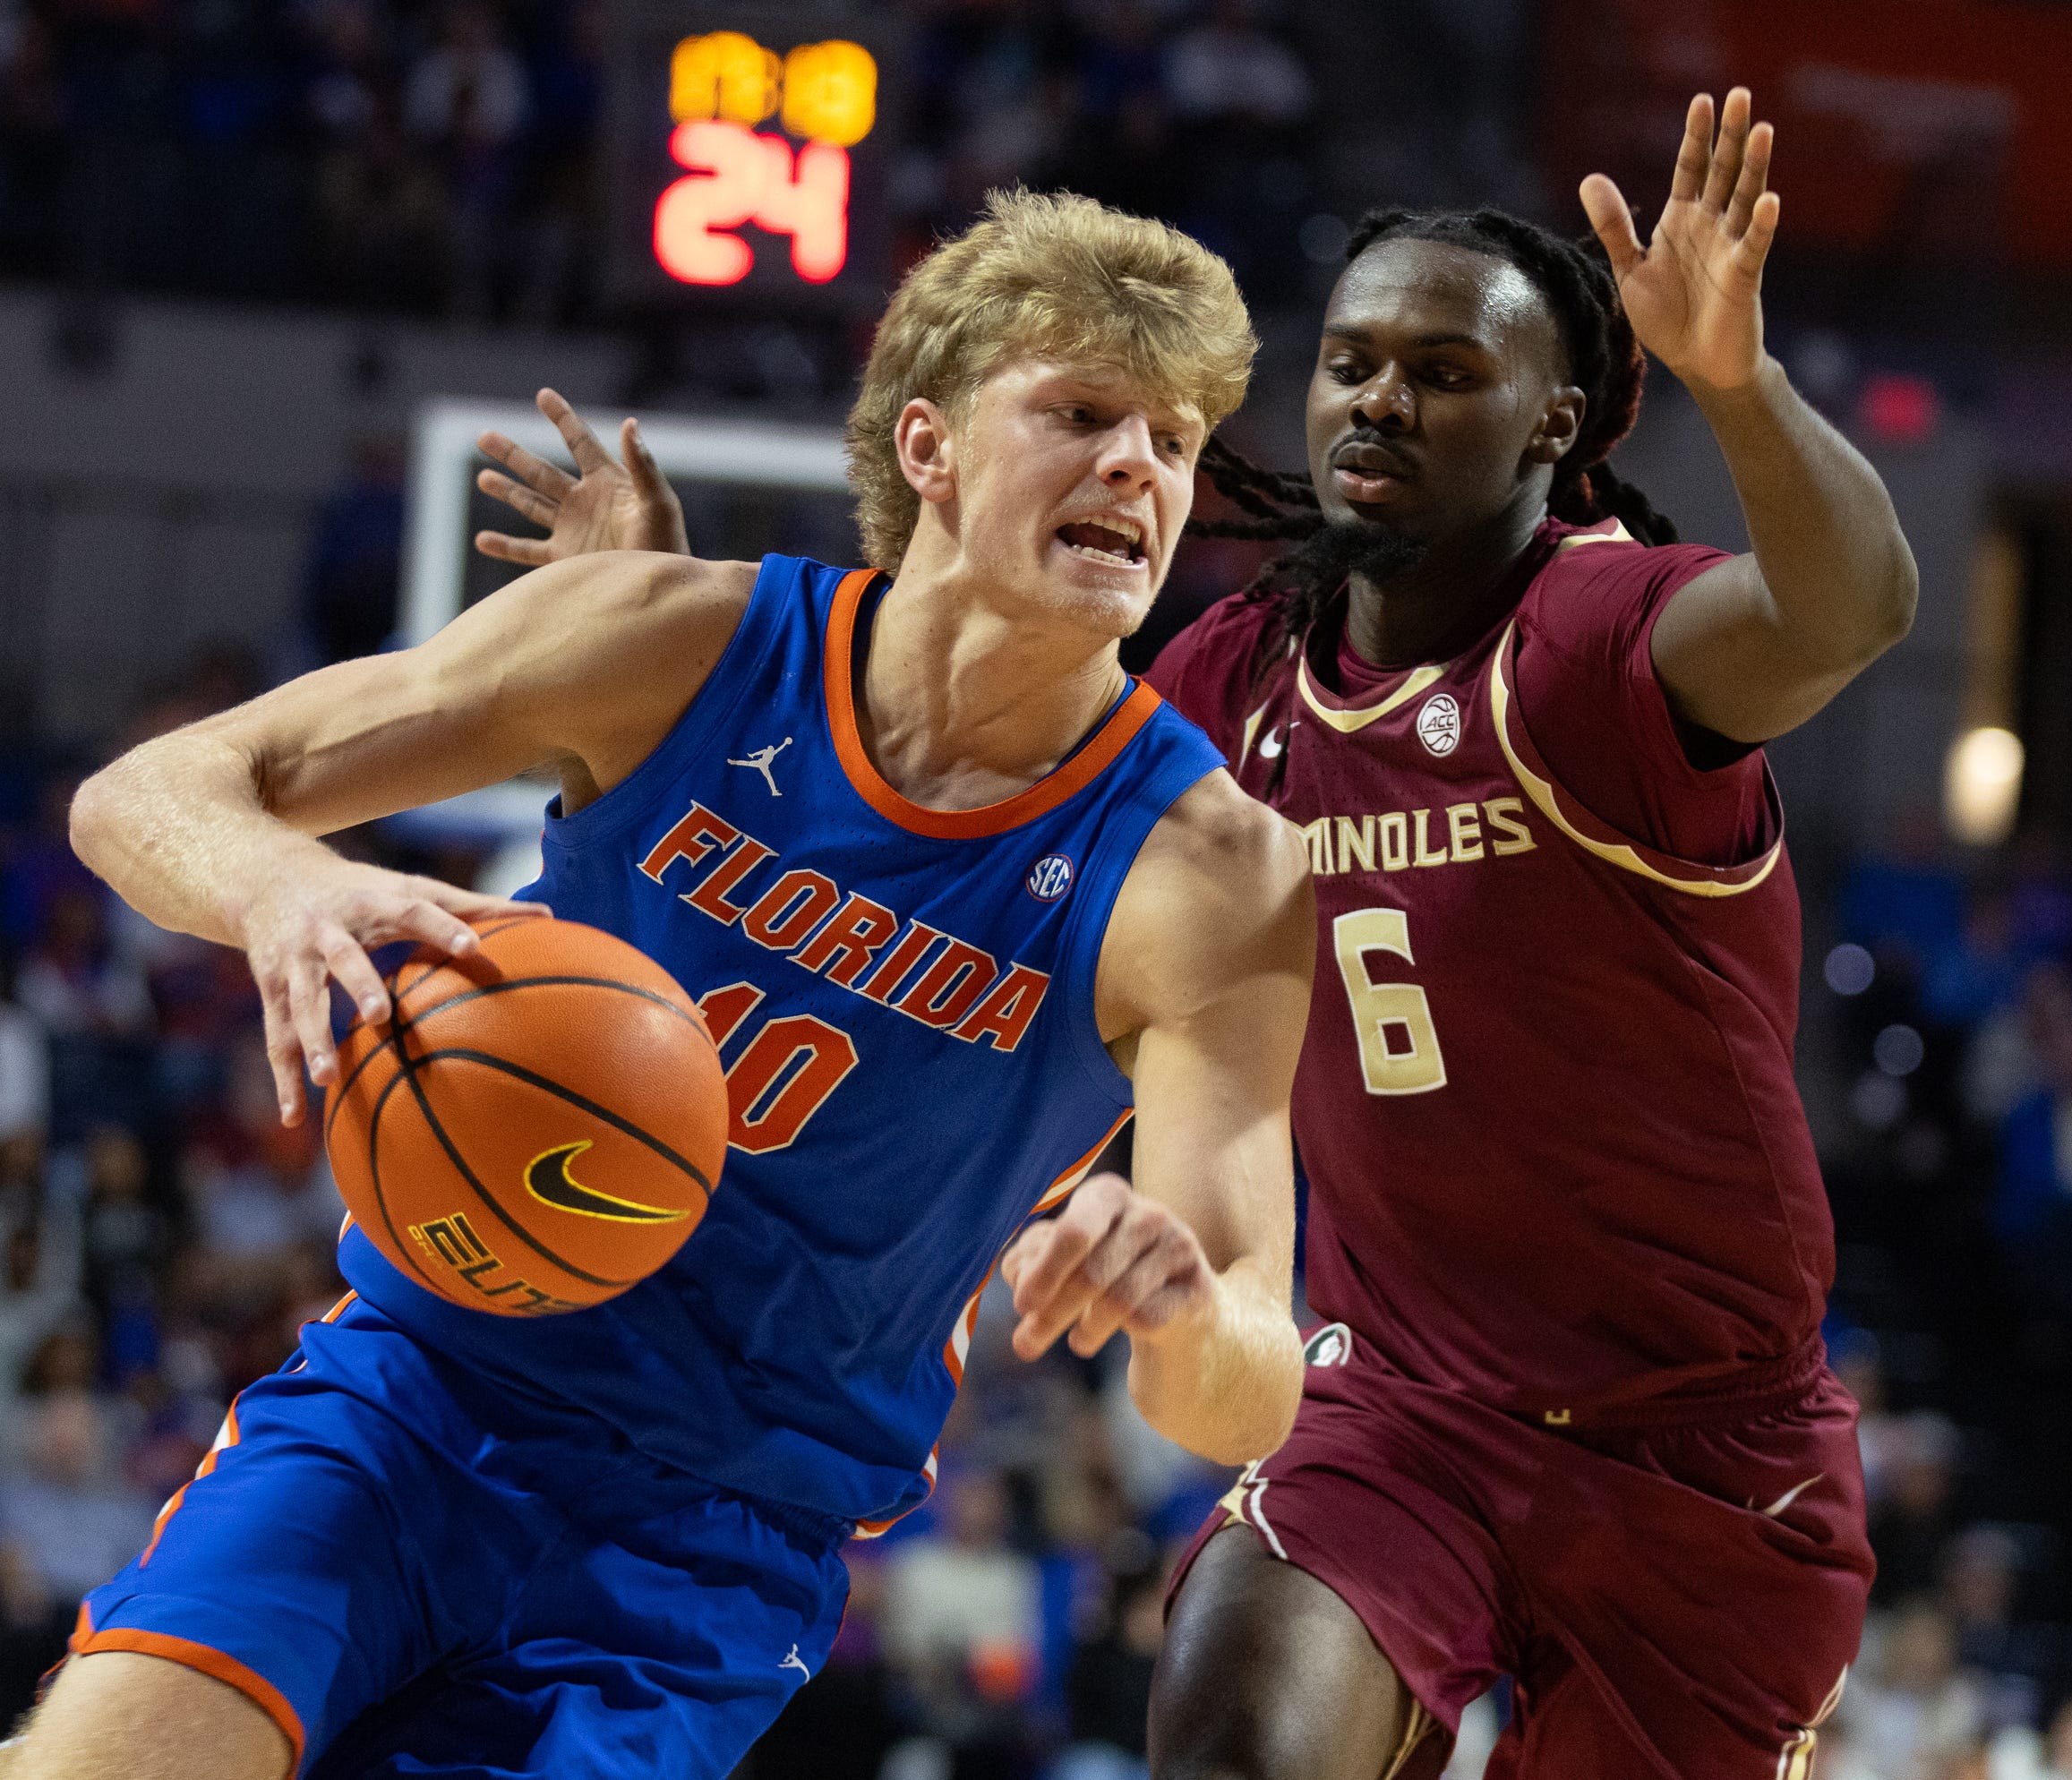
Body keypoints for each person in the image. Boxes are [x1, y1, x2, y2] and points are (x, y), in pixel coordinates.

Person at [475, 89, 1914, 1780]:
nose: (1382, 393)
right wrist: (676, 671)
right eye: (1356, 361)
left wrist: (1735, 386)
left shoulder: (1596, 648)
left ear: (1559, 430)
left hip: (1701, 1459)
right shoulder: (1225, 682)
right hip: (1389, 1410)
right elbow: (944, 752)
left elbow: (1849, 608)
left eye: (1447, 373)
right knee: (1230, 1736)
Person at [25, 190, 1313, 1780]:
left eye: (1177, 441)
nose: (1139, 465)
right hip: (423, 1392)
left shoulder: (1206, 870)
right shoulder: (666, 645)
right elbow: (144, 795)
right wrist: (293, 885)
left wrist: (1184, 1307)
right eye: (1082, 414)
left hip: (716, 1540)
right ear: (928, 448)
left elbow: (1249, 1391)